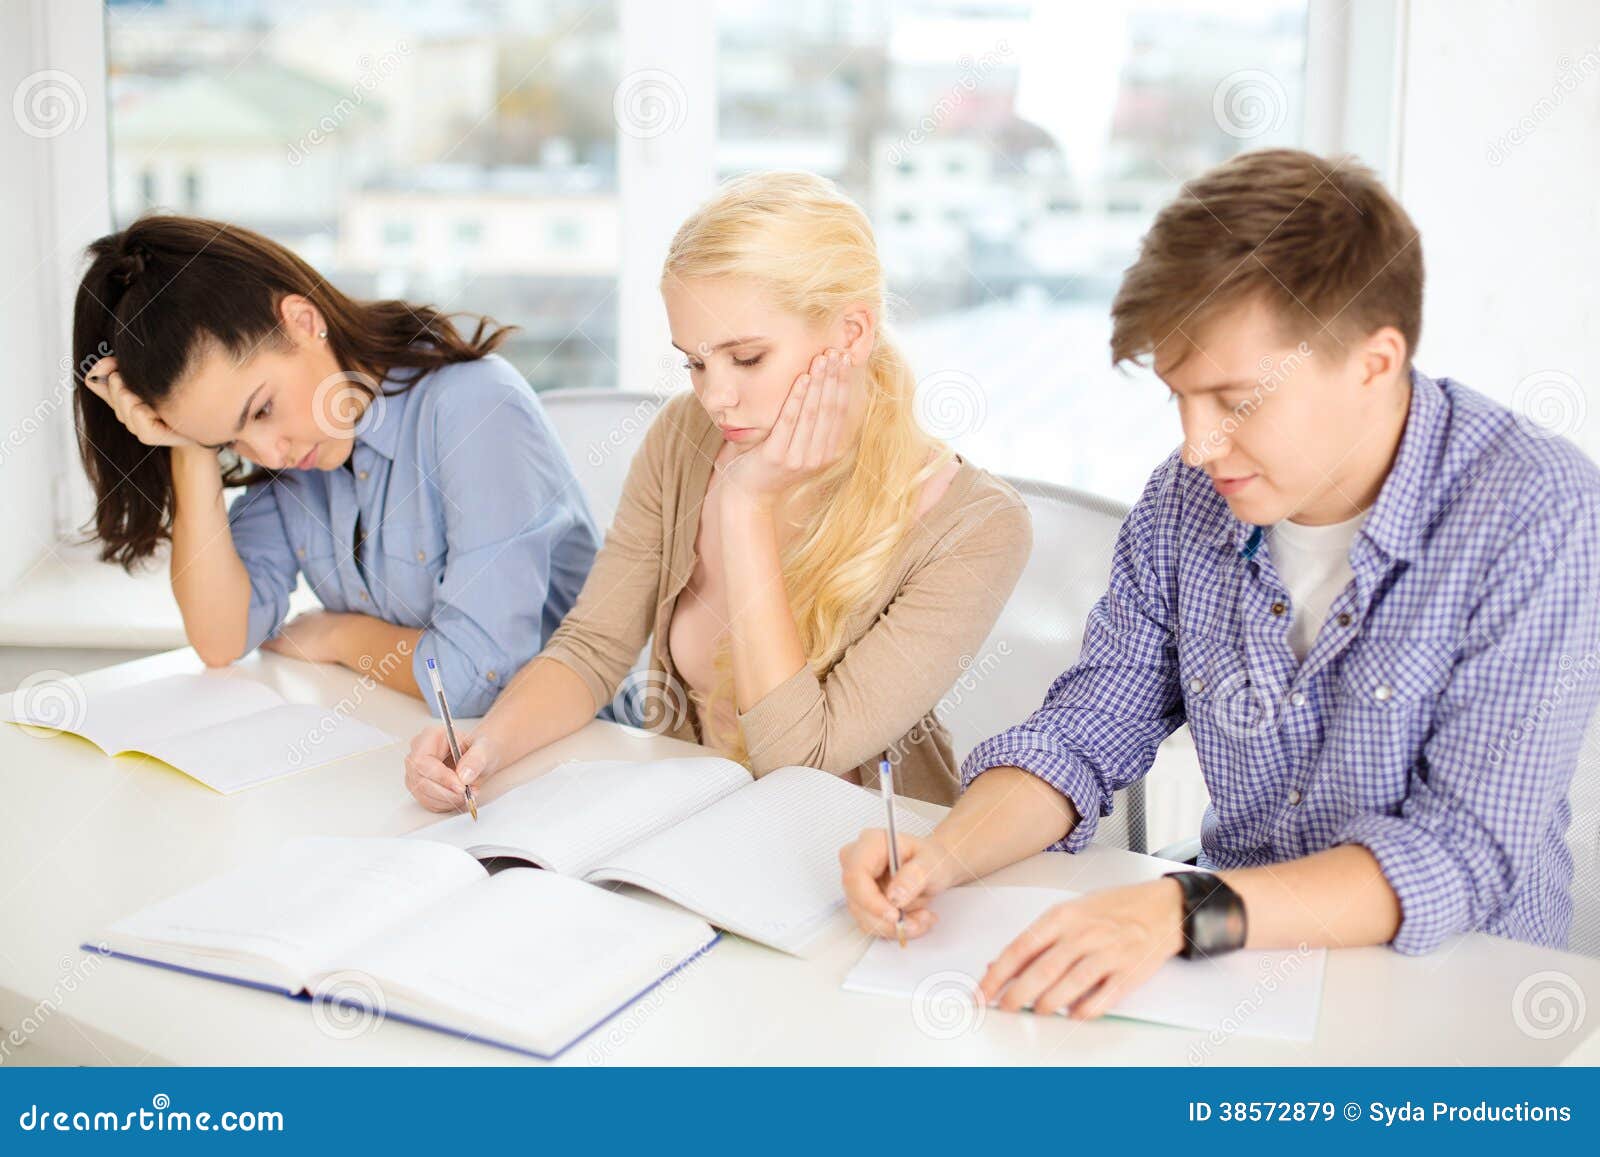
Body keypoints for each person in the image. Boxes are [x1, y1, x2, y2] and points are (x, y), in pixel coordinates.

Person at [839, 148, 1600, 1019]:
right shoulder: (1184, 500)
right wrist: (945, 852)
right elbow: (1086, 732)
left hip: (1457, 992)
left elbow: (1459, 850)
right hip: (1230, 976)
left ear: (1375, 362)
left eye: (1235, 401)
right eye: (1179, 398)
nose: (1198, 445)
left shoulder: (1541, 514)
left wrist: (1178, 909)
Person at [404, 170, 1031, 810]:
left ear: (851, 333)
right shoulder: (685, 436)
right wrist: (485, 747)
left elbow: (798, 761)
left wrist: (745, 504)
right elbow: (592, 649)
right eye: (695, 362)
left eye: (748, 358)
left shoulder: (975, 526)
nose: (715, 397)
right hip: (701, 833)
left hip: (858, 862)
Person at [73, 215, 600, 716]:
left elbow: (475, 679)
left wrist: (337, 635)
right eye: (231, 440)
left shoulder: (473, 407)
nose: (268, 452)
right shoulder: (295, 454)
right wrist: (189, 449)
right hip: (426, 749)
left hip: (596, 752)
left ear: (304, 322)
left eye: (262, 409)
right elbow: (221, 637)